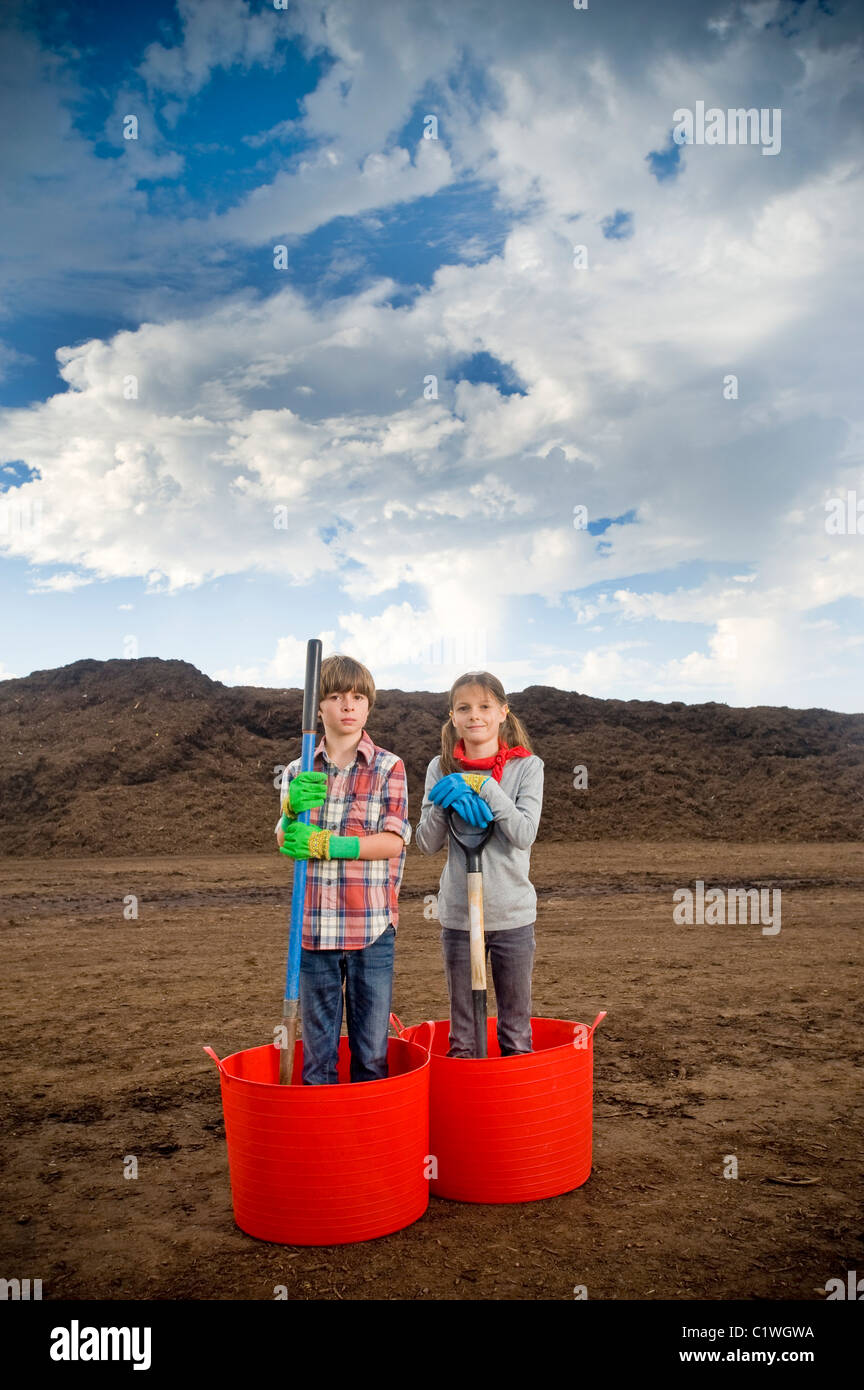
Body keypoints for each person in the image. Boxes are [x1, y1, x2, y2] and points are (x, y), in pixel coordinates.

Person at [275, 654, 411, 1084]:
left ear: (368, 706)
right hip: (313, 931)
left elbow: (393, 841)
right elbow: (285, 838)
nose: (347, 706)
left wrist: (331, 844)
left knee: (371, 1056)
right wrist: (289, 807)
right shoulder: (300, 769)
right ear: (319, 708)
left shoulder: (390, 766)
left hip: (371, 929)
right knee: (318, 1062)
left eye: (357, 697)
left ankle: (368, 1144)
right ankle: (322, 1145)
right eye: (334, 696)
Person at [414, 671, 543, 1057]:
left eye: (485, 706)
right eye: (464, 708)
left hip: (512, 915)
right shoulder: (440, 767)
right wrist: (442, 800)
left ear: (503, 712)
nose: (476, 715)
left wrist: (484, 787)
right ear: (452, 716)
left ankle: (513, 1110)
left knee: (516, 1029)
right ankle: (470, 1107)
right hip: (458, 917)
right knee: (463, 1034)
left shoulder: (527, 767)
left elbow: (523, 833)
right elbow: (426, 842)